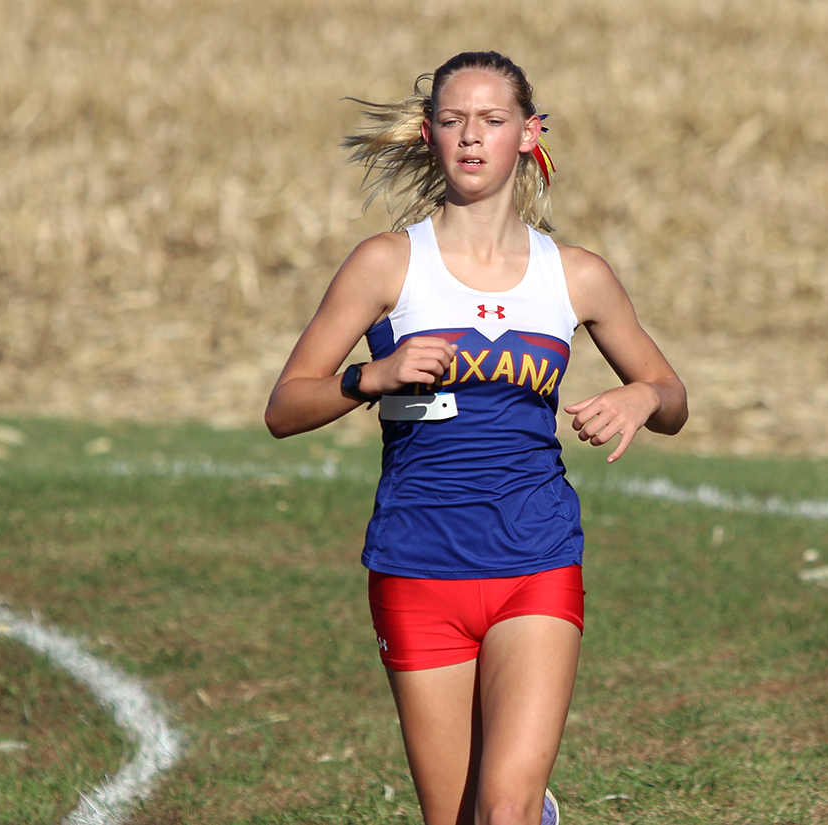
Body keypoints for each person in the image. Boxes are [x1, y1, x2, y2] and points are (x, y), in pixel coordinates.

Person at [265, 51, 687, 825]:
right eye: (454, 120)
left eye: (492, 120)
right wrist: (373, 376)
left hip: (536, 555)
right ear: (429, 135)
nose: (471, 137)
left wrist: (640, 396)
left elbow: (672, 396)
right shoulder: (389, 264)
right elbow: (285, 405)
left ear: (529, 134)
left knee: (503, 810)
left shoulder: (575, 275)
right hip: (417, 563)